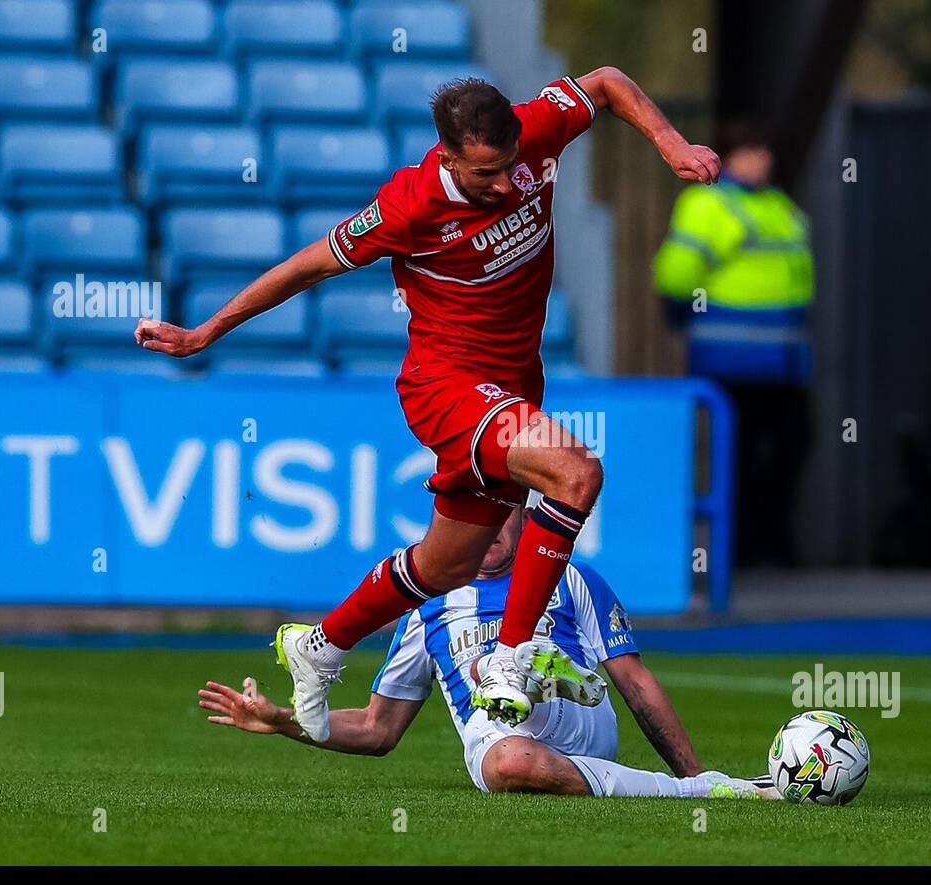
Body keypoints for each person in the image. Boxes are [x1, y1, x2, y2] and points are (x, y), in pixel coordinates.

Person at [136, 69, 721, 737]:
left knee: (448, 565)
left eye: (508, 168)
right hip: (448, 384)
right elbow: (307, 266)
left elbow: (613, 82)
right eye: (484, 174)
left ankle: (320, 644)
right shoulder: (408, 206)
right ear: (446, 155)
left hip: (513, 383)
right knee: (577, 472)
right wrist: (205, 331)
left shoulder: (534, 130)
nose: (504, 185)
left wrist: (671, 145)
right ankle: (512, 658)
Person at [198, 506, 777, 801]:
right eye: (473, 516)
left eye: (500, 513)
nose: (489, 528)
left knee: (493, 664)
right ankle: (518, 668)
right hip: (501, 741)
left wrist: (697, 772)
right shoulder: (425, 606)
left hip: (580, 725)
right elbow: (378, 729)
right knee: (508, 760)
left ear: (525, 511)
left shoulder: (572, 576)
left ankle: (529, 667)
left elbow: (635, 682)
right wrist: (284, 722)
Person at [652, 120, 813, 567]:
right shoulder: (708, 203)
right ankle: (739, 552)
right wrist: (679, 310)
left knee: (791, 447)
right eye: (749, 150)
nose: (761, 159)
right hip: (730, 359)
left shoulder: (779, 204)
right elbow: (678, 271)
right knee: (737, 457)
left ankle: (771, 545)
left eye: (763, 150)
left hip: (782, 361)